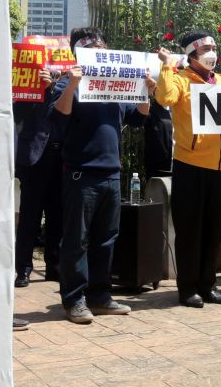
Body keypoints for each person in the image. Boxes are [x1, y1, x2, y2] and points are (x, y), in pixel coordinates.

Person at [51, 27, 153, 324]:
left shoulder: (117, 83)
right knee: (76, 240)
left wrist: (147, 90)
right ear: (78, 52)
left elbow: (138, 118)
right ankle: (74, 299)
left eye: (101, 46)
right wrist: (72, 84)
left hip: (111, 173)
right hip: (80, 174)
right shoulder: (70, 82)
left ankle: (100, 296)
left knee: (106, 239)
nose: (98, 51)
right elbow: (58, 117)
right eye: (91, 48)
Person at [155, 31, 221, 308]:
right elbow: (165, 98)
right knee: (190, 230)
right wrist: (167, 65)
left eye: (214, 48)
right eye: (206, 49)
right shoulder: (180, 79)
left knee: (214, 230)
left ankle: (208, 284)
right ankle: (188, 287)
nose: (212, 53)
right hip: (190, 164)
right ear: (191, 55)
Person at [13, 68, 63, 287]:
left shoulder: (72, 82)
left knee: (58, 216)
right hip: (34, 158)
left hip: (62, 157)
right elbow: (16, 114)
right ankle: (23, 269)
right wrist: (40, 90)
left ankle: (55, 266)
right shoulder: (30, 83)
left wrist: (55, 87)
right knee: (29, 218)